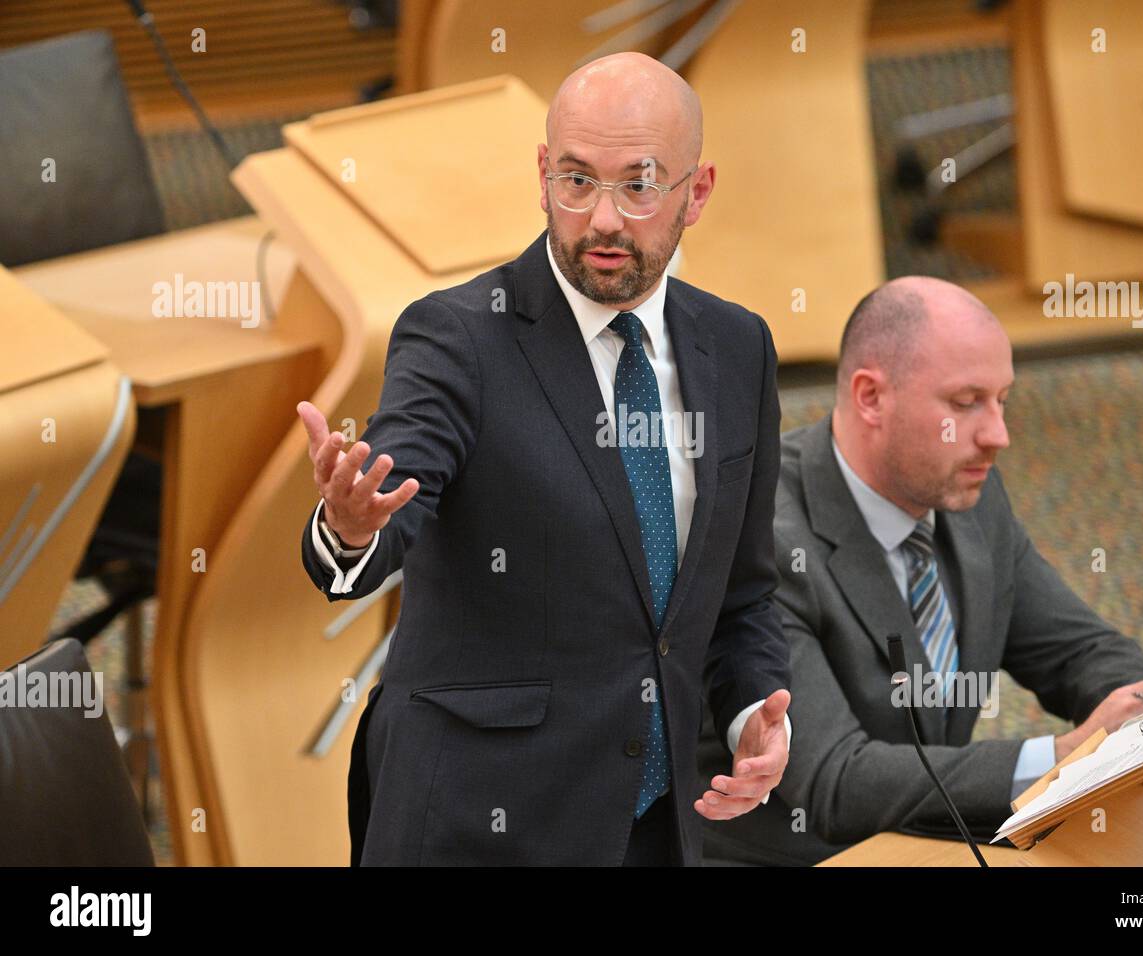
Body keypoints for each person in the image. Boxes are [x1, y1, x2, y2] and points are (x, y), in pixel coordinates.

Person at [295, 52, 791, 866]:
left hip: (653, 825)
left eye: (639, 186)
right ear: (542, 175)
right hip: (474, 825)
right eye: (576, 181)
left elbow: (741, 594)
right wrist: (351, 528)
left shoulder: (738, 346)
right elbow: (393, 499)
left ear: (696, 192)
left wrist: (750, 717)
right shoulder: (458, 338)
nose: (603, 219)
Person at [697, 276, 1143, 866]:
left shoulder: (965, 490)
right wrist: (1062, 757)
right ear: (870, 397)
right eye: (965, 404)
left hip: (934, 835)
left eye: (1002, 400)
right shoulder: (763, 534)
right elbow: (836, 780)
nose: (998, 435)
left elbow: (1076, 650)